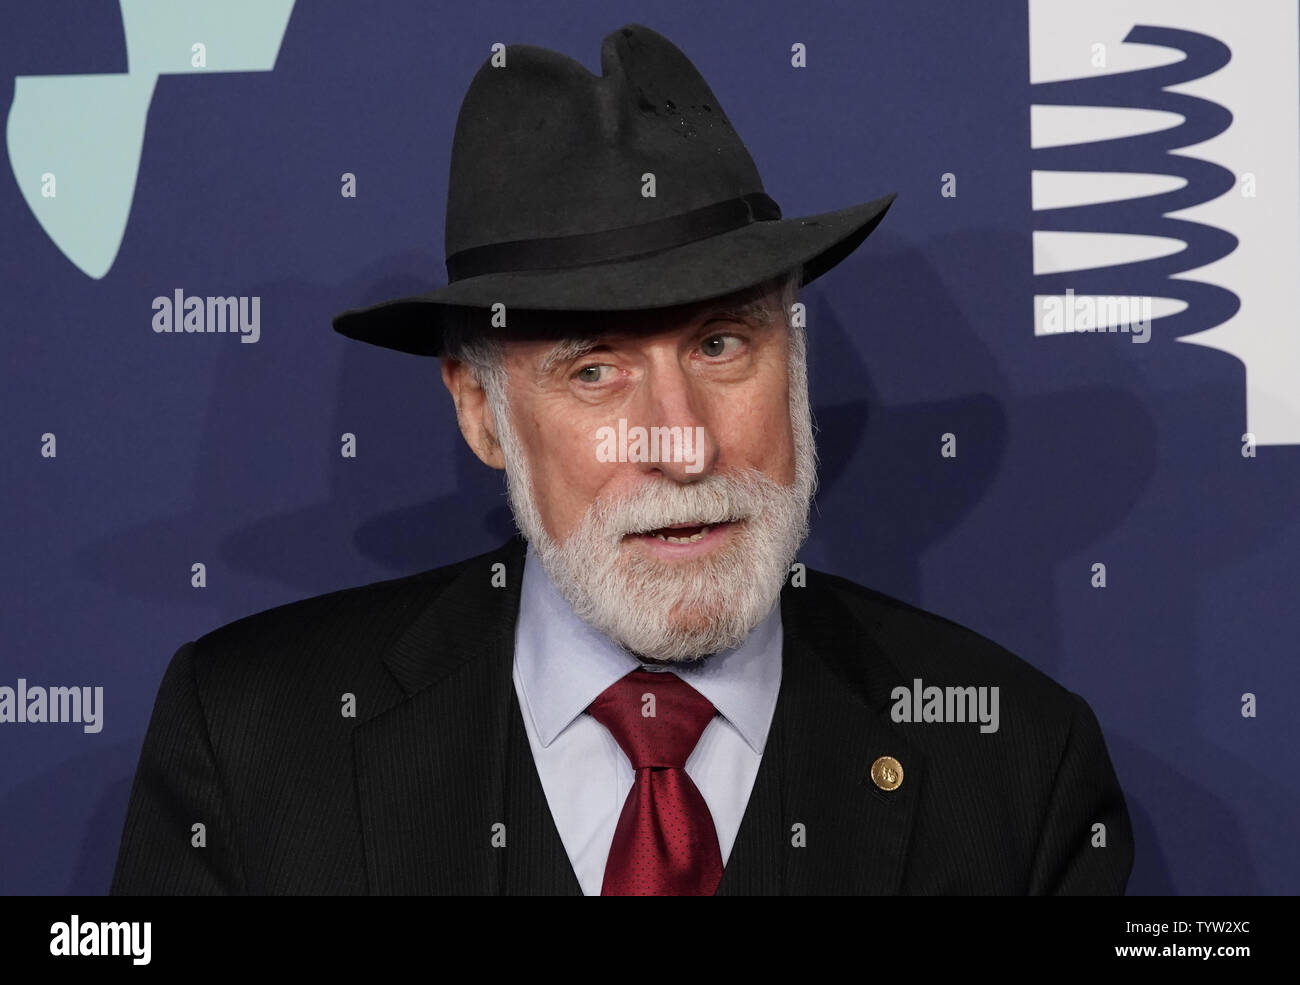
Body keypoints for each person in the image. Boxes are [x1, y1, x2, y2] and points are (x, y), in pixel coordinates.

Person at [111, 23, 1133, 895]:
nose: (681, 441)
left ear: (795, 361)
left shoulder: (1013, 764)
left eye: (721, 345)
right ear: (481, 411)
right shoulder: (250, 740)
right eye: (594, 370)